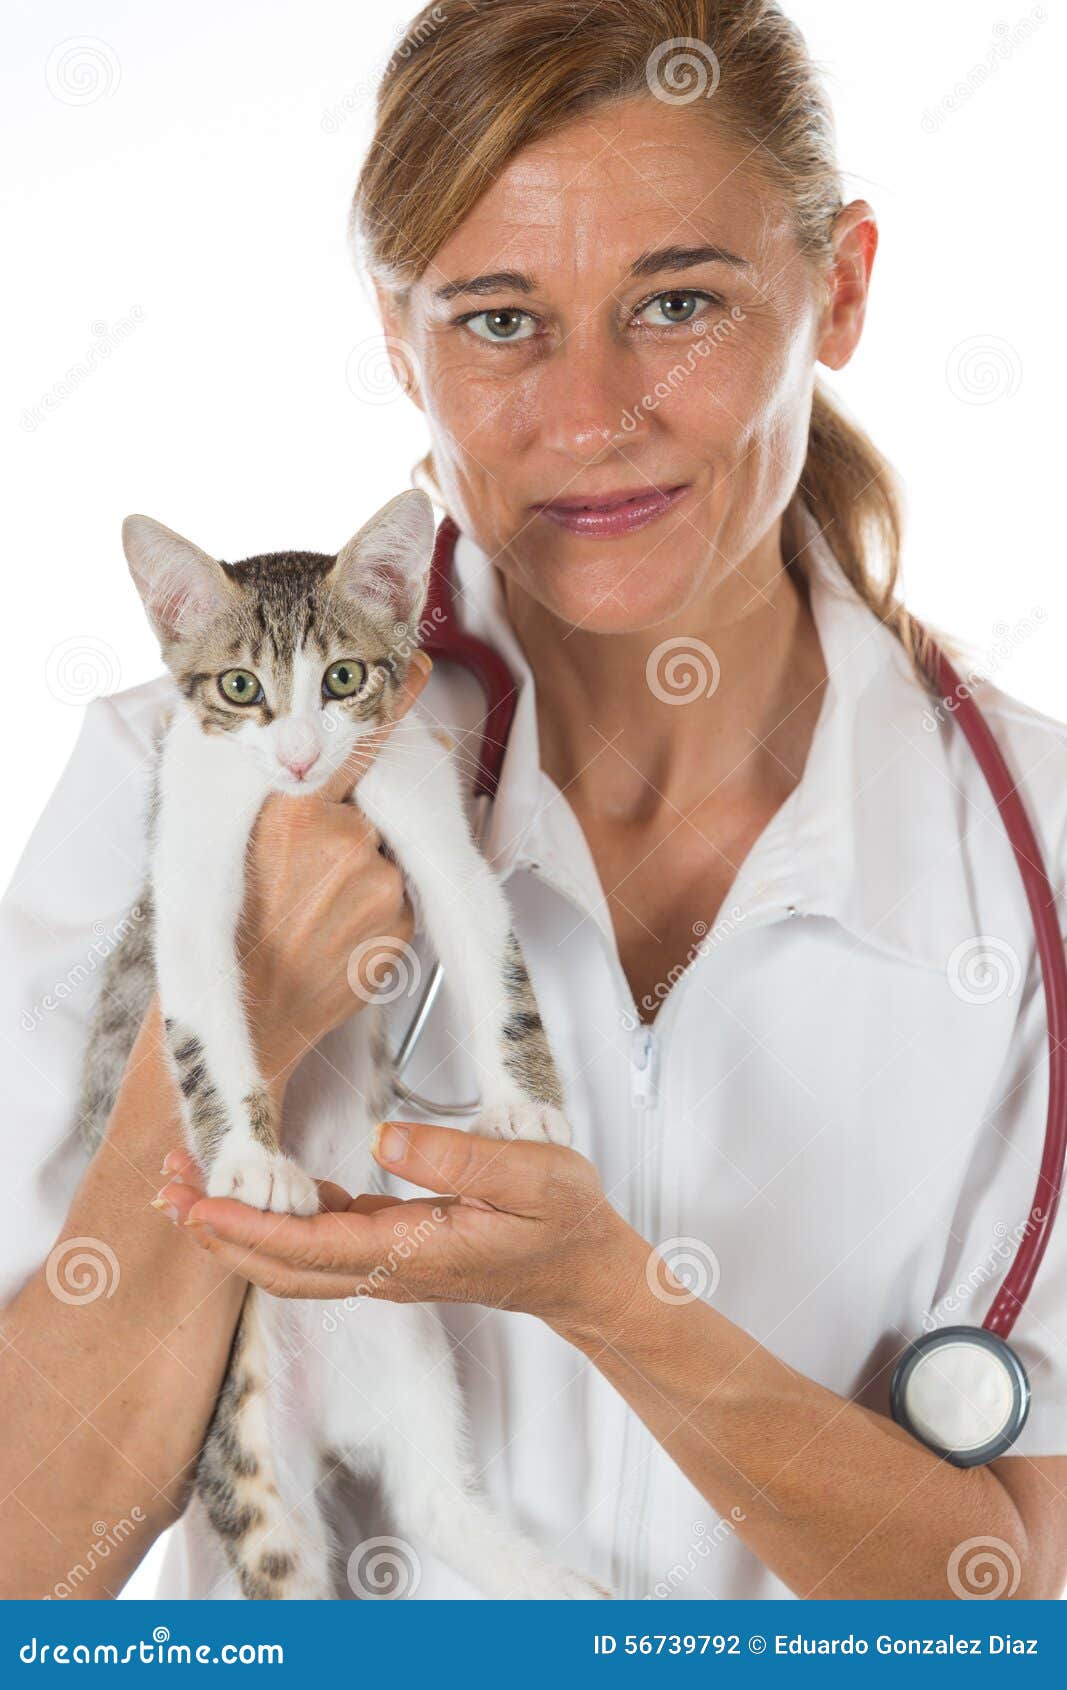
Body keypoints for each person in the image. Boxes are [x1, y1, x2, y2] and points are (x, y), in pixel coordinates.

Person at [2, 0, 1066, 1603]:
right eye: (498, 318)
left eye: (680, 302)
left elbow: (1011, 1595)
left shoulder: (1036, 850)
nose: (586, 415)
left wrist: (612, 1298)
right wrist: (239, 1026)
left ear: (839, 288)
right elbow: (21, 1567)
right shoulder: (172, 773)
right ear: (394, 336)